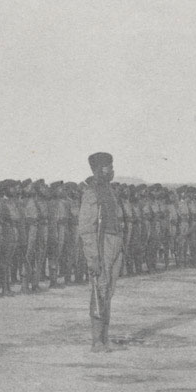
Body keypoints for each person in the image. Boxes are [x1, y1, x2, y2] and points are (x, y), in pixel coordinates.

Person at [79, 151, 125, 353]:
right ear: (98, 169)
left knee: (108, 292)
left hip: (114, 241)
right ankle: (97, 341)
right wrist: (93, 258)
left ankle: (105, 338)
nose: (112, 170)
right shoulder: (92, 192)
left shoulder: (109, 190)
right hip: (102, 243)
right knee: (100, 289)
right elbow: (87, 229)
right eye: (108, 166)